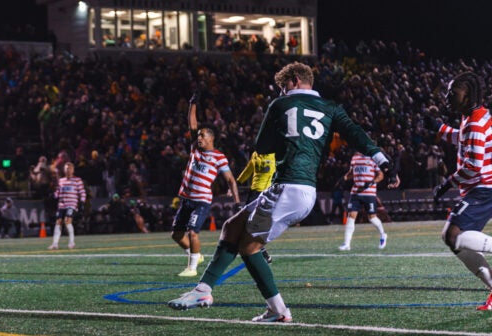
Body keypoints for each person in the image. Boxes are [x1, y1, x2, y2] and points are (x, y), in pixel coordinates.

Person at [168, 61, 396, 322]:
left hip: (288, 187)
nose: (281, 91)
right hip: (300, 189)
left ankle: (277, 310)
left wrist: (282, 137)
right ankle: (204, 290)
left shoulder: (280, 105)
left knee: (250, 247)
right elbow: (356, 133)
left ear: (296, 80)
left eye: (283, 86)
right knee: (232, 227)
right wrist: (383, 161)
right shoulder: (332, 108)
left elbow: (262, 146)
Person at [431, 71, 492, 311]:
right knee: (453, 238)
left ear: (467, 97)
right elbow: (463, 137)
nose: (447, 96)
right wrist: (439, 128)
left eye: (452, 93)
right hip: (480, 188)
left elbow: (473, 166)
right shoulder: (474, 117)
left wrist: (447, 183)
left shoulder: (476, 121)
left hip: (483, 188)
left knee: (453, 235)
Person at [172, 92, 239, 278]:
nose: (198, 137)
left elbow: (230, 180)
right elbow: (192, 124)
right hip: (186, 199)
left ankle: (192, 268)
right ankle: (197, 255)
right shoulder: (195, 148)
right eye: (198, 135)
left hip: (201, 201)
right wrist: (192, 103)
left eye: (202, 135)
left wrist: (236, 200)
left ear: (211, 138)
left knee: (193, 232)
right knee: (176, 235)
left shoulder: (218, 157)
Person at [338, 151, 388, 250]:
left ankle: (383, 234)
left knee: (372, 218)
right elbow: (352, 172)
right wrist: (344, 178)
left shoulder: (373, 158)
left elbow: (380, 175)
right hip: (355, 192)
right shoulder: (354, 158)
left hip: (369, 193)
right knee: (351, 216)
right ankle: (347, 244)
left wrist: (371, 182)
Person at [236, 150, 276, 263]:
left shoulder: (274, 154)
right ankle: (261, 253)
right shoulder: (255, 154)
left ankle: (261, 253)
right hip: (253, 194)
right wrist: (238, 181)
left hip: (267, 194)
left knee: (258, 226)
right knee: (248, 224)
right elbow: (249, 169)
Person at [48, 161, 86, 250]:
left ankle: (72, 242)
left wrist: (82, 202)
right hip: (62, 204)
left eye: (69, 169)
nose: (67, 170)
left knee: (67, 221)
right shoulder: (61, 181)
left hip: (71, 204)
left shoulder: (77, 180)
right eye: (66, 169)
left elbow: (82, 192)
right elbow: (58, 192)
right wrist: (53, 195)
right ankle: (55, 244)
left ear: (73, 170)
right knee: (58, 222)